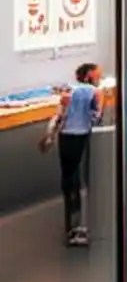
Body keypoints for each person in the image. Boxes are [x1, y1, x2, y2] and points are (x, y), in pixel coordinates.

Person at [39, 63, 102, 247]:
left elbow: (60, 115)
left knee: (68, 177)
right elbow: (96, 116)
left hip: (66, 137)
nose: (100, 76)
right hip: (81, 136)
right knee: (76, 177)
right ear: (90, 74)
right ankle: (76, 225)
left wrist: (49, 136)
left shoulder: (68, 92)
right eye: (98, 74)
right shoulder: (95, 93)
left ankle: (71, 224)